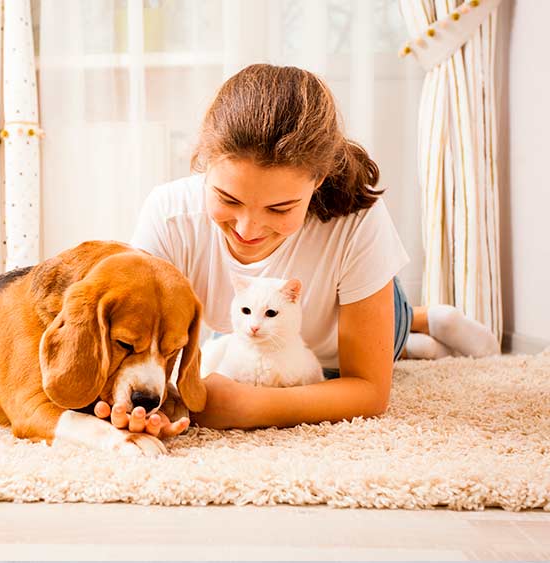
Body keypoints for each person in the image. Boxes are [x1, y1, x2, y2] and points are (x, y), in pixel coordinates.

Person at [92, 64, 499, 436]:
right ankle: (419, 344)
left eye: (279, 208)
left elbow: (370, 391)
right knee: (235, 330)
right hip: (255, 330)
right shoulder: (168, 215)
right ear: (203, 162)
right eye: (228, 200)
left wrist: (250, 407)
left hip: (346, 328)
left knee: (385, 336)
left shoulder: (359, 221)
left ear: (318, 179)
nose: (248, 230)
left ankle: (421, 321)